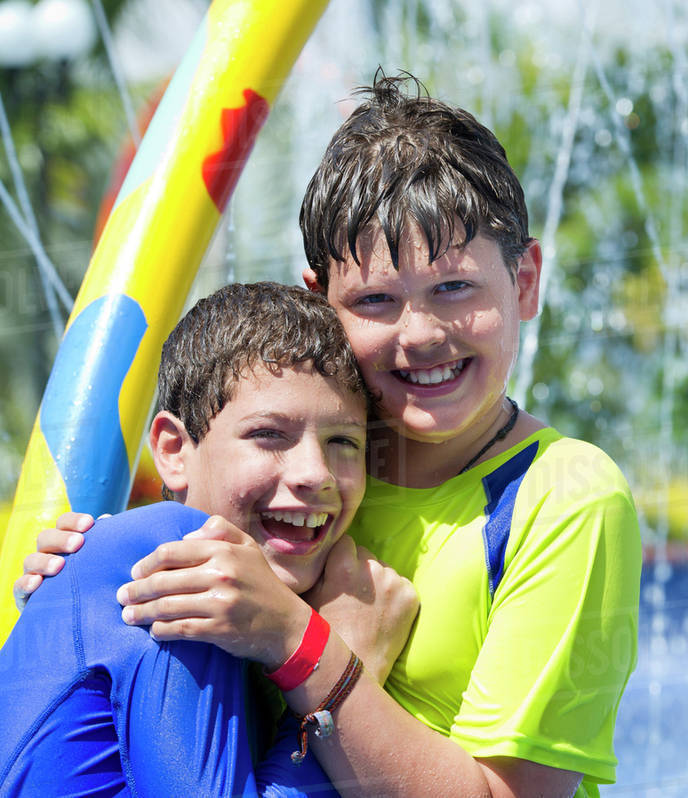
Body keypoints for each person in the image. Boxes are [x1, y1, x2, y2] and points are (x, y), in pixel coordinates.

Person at [19, 73, 641, 798]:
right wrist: (89, 572)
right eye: (376, 300)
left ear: (525, 280)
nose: (422, 335)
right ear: (319, 302)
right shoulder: (309, 472)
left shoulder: (562, 499)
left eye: (455, 288)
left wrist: (301, 644)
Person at [0, 282, 417, 796]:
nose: (317, 473)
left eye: (344, 442)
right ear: (174, 450)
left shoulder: (233, 591)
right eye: (269, 434)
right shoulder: (169, 555)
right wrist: (342, 670)